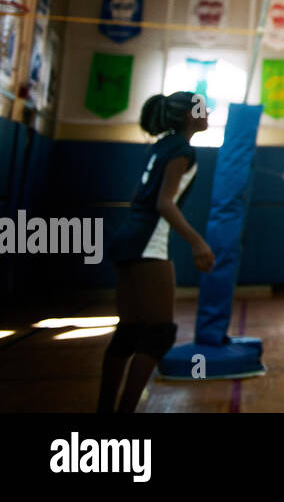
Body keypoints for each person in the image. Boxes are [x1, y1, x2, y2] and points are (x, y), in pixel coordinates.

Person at [98, 91, 213, 413]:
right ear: (190, 116)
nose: (209, 112)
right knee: (159, 333)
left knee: (130, 331)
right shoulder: (183, 150)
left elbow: (140, 195)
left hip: (128, 238)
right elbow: (164, 203)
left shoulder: (162, 145)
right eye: (204, 108)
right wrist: (197, 242)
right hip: (147, 243)